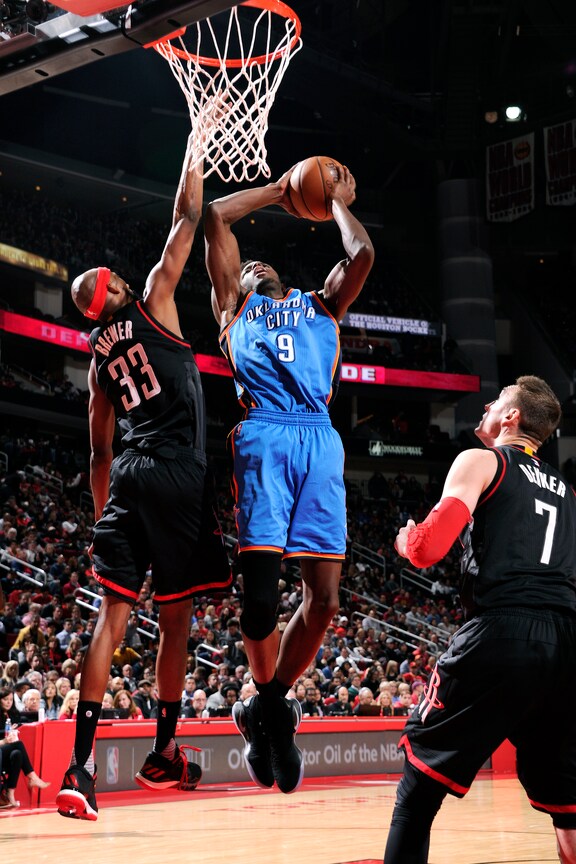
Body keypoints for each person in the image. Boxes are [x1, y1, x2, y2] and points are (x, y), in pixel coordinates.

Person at [55, 131, 232, 823]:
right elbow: (187, 220)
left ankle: (79, 768)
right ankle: (163, 750)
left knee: (112, 616)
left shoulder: (99, 365)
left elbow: (97, 455)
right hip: (178, 474)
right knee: (178, 615)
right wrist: (196, 145)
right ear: (121, 290)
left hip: (126, 477)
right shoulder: (158, 296)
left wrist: (104, 514)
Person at [204, 160, 374, 795]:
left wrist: (332, 200)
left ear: (281, 275)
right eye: (246, 267)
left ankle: (267, 705)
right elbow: (216, 216)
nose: (254, 268)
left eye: (262, 266)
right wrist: (281, 191)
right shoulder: (230, 311)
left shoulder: (319, 304)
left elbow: (362, 254)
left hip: (319, 439)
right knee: (257, 598)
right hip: (264, 437)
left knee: (325, 600)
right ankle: (274, 714)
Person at [384, 376, 576, 864]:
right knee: (569, 804)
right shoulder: (569, 493)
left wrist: (406, 540)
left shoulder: (482, 460)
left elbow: (429, 549)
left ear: (511, 418)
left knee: (419, 785)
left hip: (502, 629)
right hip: (566, 642)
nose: (488, 405)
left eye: (498, 401)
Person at [0, 688, 50, 808]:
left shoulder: (14, 714)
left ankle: (10, 793)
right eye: (5, 699)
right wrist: (5, 740)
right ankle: (32, 777)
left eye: (11, 699)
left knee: (17, 753)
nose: (8, 702)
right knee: (19, 745)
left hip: (5, 752)